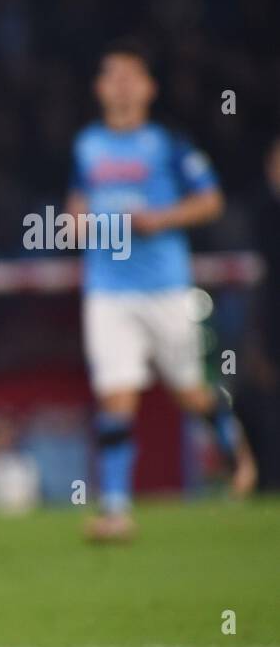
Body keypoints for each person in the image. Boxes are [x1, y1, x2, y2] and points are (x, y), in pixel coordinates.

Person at [65, 40, 255, 542]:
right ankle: (116, 511)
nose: (122, 85)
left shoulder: (170, 145)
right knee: (115, 398)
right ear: (100, 88)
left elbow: (211, 201)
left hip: (165, 286)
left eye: (132, 76)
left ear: (149, 88)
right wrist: (74, 224)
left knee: (189, 392)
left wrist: (162, 219)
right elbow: (77, 207)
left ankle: (237, 453)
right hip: (108, 289)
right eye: (113, 76)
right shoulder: (87, 145)